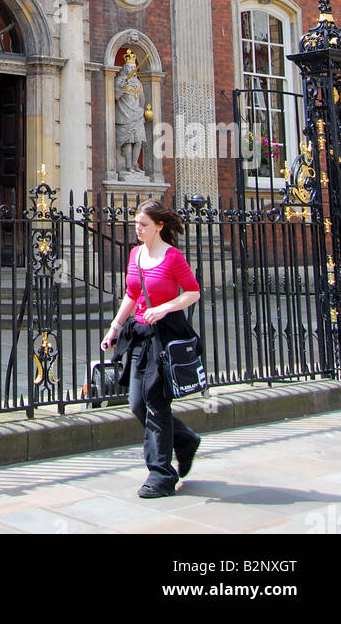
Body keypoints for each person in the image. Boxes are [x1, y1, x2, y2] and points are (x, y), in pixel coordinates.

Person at [101, 199, 202, 498]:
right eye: (136, 225)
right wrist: (115, 328)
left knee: (156, 403)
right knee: (136, 403)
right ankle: (185, 440)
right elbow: (132, 293)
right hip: (140, 335)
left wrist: (165, 307)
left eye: (143, 225)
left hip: (165, 335)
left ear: (159, 226)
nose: (138, 230)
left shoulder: (172, 257)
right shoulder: (135, 254)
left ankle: (160, 473)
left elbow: (192, 293)